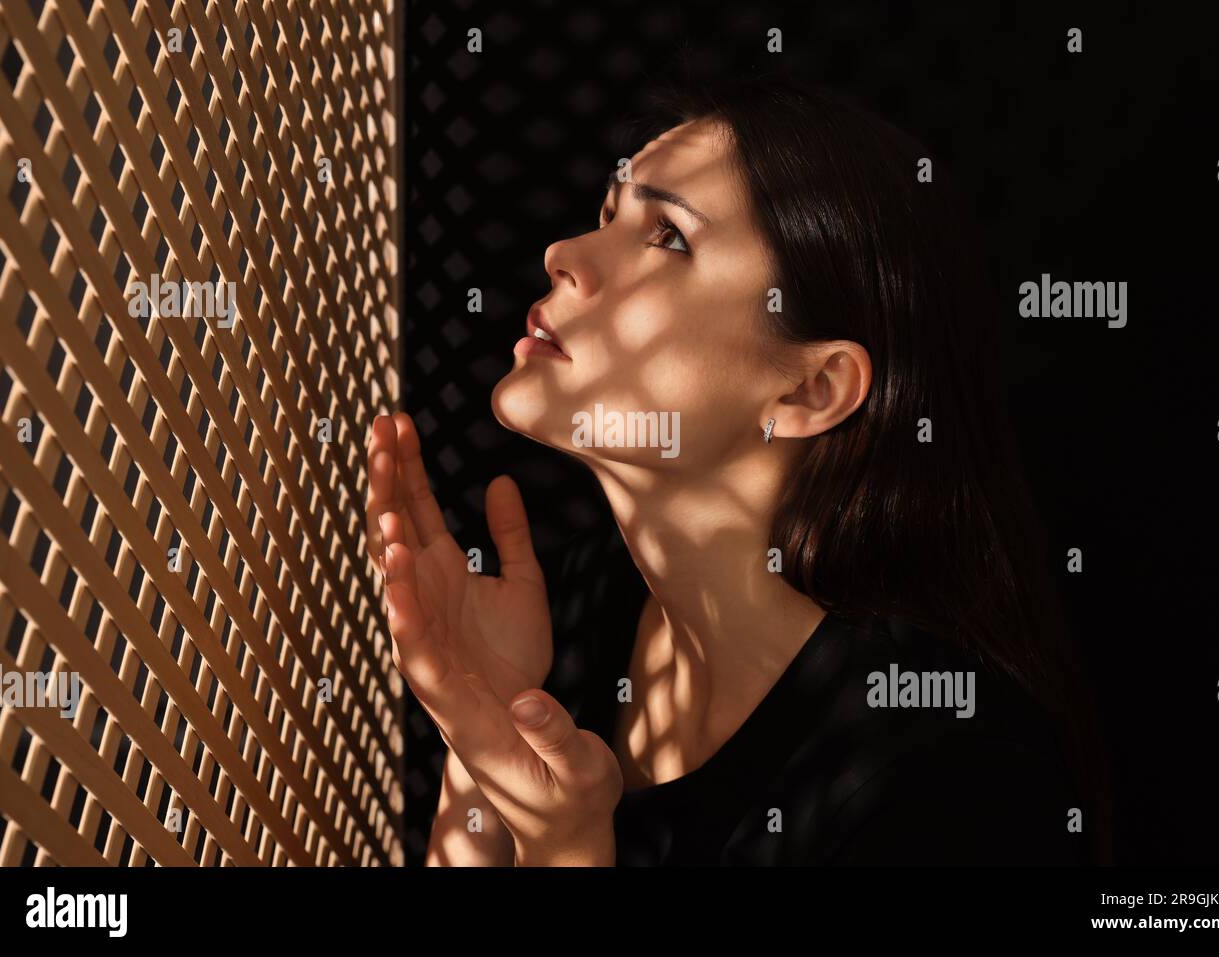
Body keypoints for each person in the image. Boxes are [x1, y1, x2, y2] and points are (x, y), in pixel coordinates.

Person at [366, 73, 1111, 866]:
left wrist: (566, 851)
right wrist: (482, 723)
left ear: (810, 389)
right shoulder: (580, 607)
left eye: (668, 237)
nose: (564, 255)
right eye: (607, 217)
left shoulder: (943, 776)